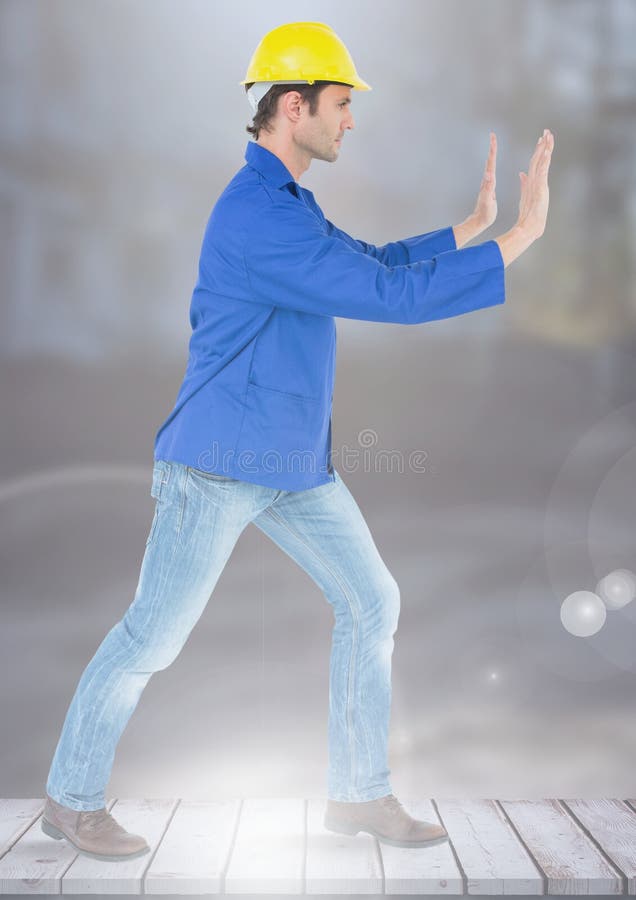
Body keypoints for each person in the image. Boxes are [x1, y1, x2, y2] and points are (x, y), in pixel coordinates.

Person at [41, 21, 554, 860]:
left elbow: (374, 260)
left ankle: (357, 796)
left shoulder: (289, 205)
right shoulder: (256, 217)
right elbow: (382, 296)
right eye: (341, 104)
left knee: (370, 601)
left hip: (289, 466)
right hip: (214, 466)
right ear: (293, 104)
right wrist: (517, 243)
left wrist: (465, 231)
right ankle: (70, 797)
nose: (350, 120)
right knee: (153, 636)